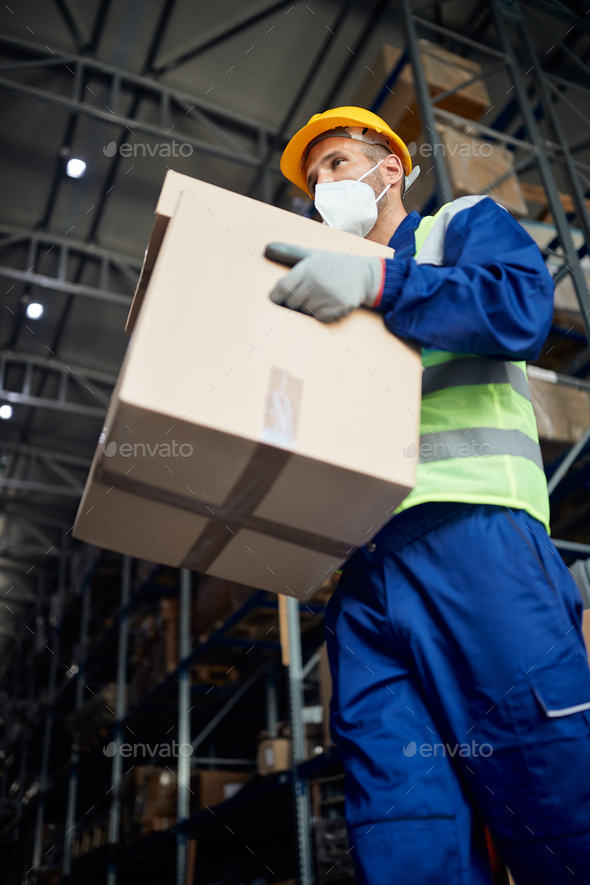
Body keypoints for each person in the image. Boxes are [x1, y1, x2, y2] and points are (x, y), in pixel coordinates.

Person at [269, 107, 590, 885]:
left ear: (390, 166)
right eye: (315, 180)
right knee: (404, 819)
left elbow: (518, 309)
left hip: (474, 540)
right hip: (362, 574)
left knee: (546, 785)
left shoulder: (459, 225)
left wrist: (379, 279)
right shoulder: (312, 299)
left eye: (339, 163)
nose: (325, 186)